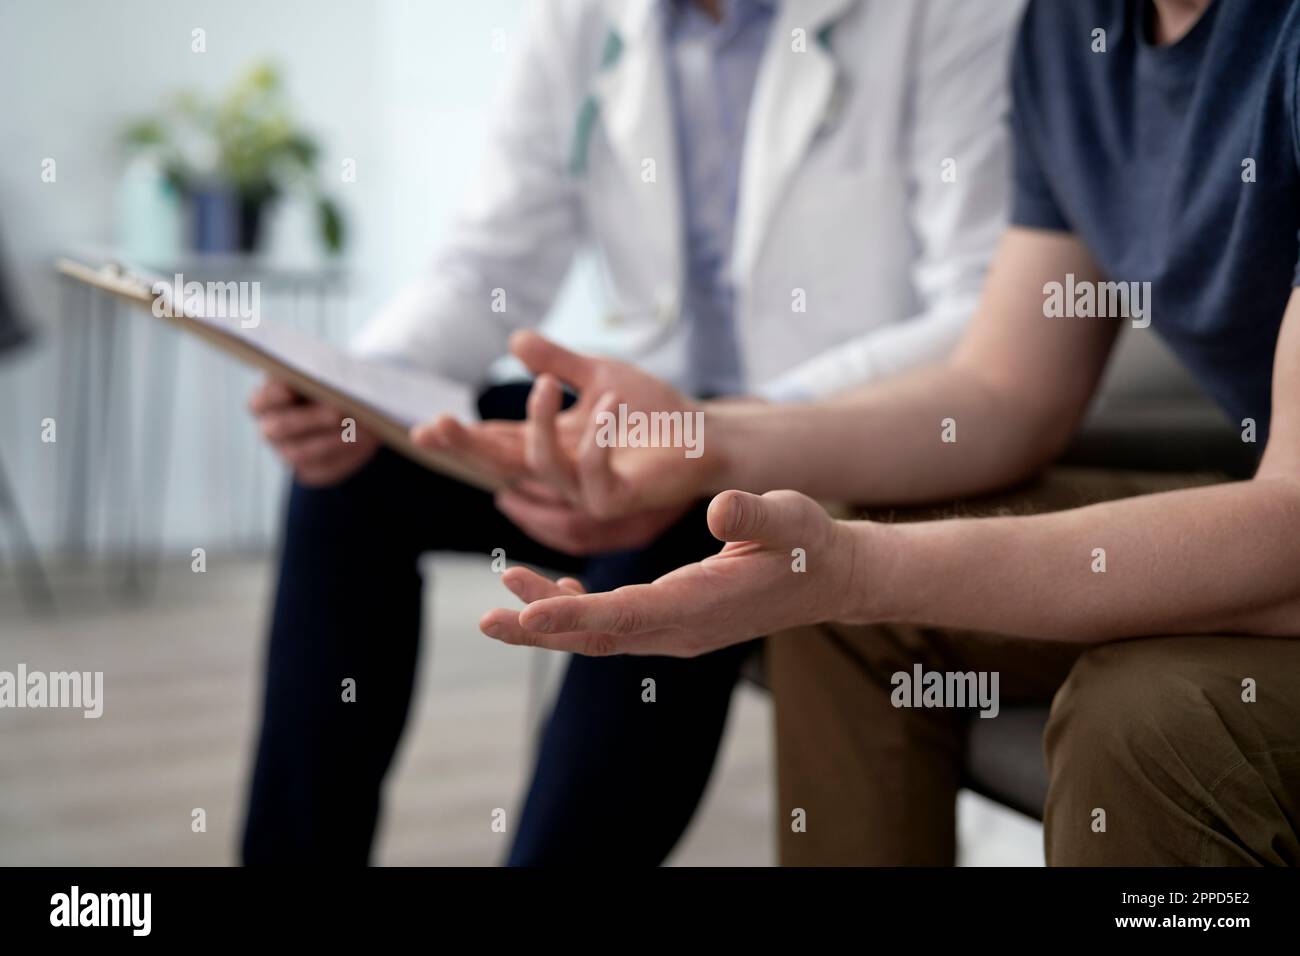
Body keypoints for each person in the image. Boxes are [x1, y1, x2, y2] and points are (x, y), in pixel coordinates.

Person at [463, 0, 1300, 865]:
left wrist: (859, 569)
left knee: (1151, 721)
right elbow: (1004, 391)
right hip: (1259, 485)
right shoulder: (1073, 31)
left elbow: (1293, 532)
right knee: (835, 590)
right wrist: (712, 441)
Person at [242, 0, 1021, 864]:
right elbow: (487, 263)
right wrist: (361, 389)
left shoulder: (954, 15)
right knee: (360, 467)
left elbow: (986, 309)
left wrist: (721, 433)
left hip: (833, 430)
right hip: (647, 411)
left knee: (692, 524)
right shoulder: (584, 19)